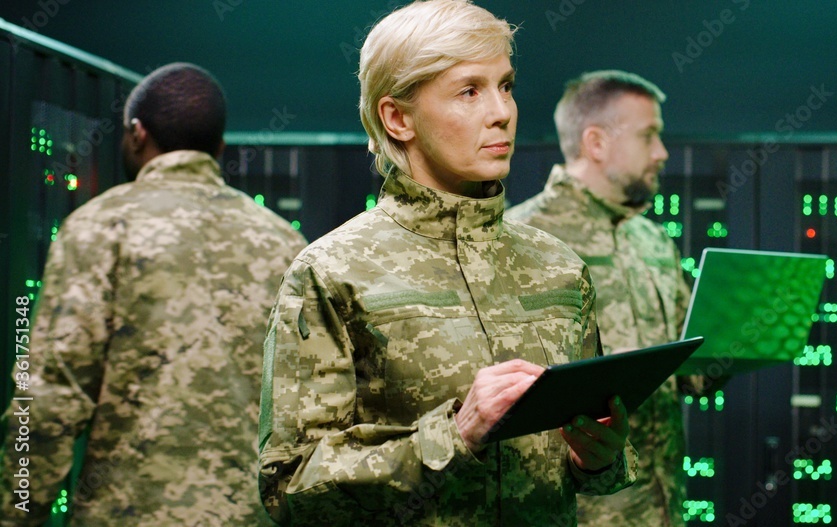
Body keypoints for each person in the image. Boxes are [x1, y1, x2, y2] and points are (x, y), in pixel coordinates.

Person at [257, 2, 637, 525]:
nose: (501, 111)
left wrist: (597, 457)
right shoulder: (332, 272)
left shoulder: (559, 268)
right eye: (469, 90)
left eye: (506, 85)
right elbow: (290, 485)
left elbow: (586, 466)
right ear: (397, 118)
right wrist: (454, 435)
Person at [0, 63, 307, 526]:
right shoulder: (286, 243)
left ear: (136, 133)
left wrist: (17, 511)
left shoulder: (99, 227)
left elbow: (47, 396)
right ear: (218, 147)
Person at [508, 70, 722, 527]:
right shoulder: (521, 241)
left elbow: (688, 374)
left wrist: (741, 341)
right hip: (579, 513)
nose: (662, 153)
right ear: (596, 143)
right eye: (649, 136)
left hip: (663, 507)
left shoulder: (653, 242)